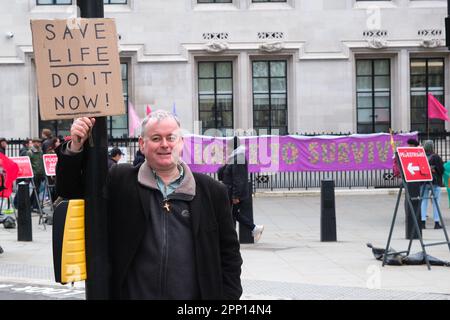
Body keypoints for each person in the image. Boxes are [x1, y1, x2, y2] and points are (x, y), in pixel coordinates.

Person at [55, 110, 242, 300]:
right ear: (142, 144)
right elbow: (68, 189)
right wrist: (76, 146)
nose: (165, 144)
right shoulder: (119, 180)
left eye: (171, 137)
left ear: (181, 143)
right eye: (156, 138)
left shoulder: (212, 192)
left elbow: (230, 256)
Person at [219, 137, 264, 243]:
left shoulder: (239, 158)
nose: (226, 149)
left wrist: (236, 196)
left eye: (228, 147)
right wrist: (225, 163)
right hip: (229, 192)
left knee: (232, 214)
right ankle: (252, 229)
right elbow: (221, 175)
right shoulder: (233, 158)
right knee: (233, 214)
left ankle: (254, 228)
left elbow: (238, 179)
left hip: (233, 194)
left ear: (233, 147)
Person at [420, 140, 444, 229]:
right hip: (435, 182)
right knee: (436, 202)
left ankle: (422, 222)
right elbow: (441, 170)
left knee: (423, 201)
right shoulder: (436, 157)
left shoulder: (421, 156)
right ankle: (436, 223)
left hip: (423, 181)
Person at [27, 138, 45, 212]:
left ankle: (30, 204)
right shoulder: (30, 152)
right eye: (37, 142)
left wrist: (44, 173)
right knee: (36, 190)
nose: (39, 144)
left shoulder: (41, 151)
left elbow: (42, 162)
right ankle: (36, 206)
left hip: (40, 173)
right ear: (33, 143)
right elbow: (28, 164)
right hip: (34, 174)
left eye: (39, 142)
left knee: (37, 190)